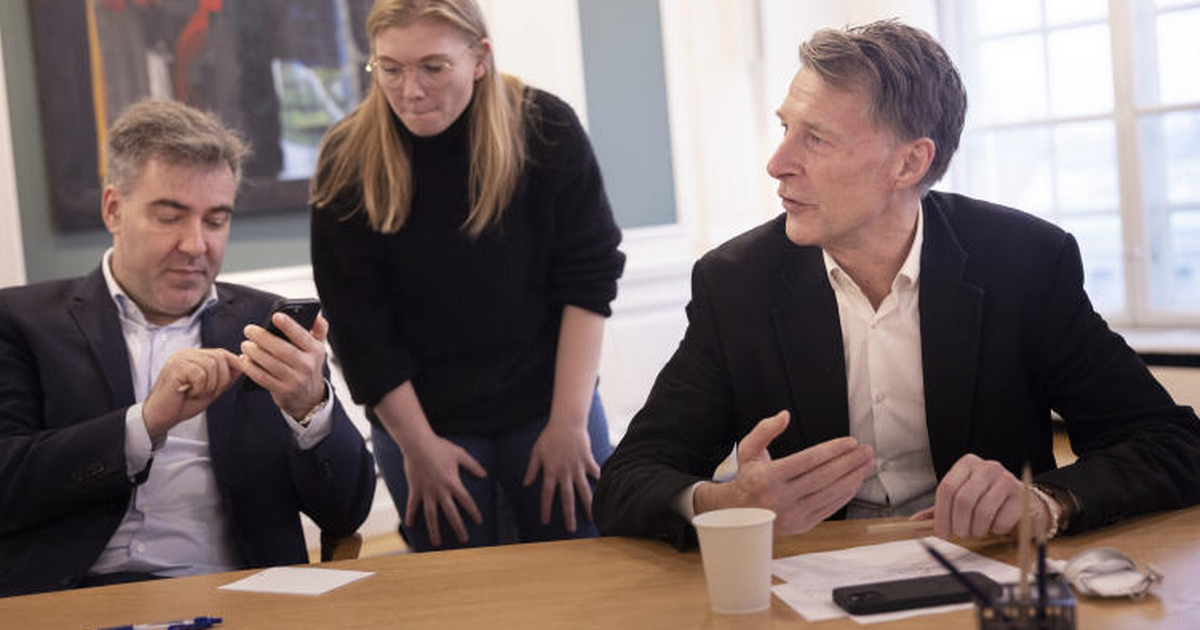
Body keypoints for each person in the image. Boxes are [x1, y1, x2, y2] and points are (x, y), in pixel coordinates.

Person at [593, 20, 1200, 548]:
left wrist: (1045, 501)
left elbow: (1173, 444)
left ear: (909, 163)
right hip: (806, 586)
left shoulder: (1025, 264)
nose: (777, 163)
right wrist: (723, 504)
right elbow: (628, 481)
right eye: (785, 128)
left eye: (817, 138)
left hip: (985, 576)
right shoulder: (736, 283)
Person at [0, 99, 376, 597]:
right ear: (114, 208)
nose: (196, 245)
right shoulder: (23, 322)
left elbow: (346, 512)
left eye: (216, 220)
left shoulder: (270, 325)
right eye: (170, 217)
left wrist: (311, 410)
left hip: (239, 596)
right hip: (73, 599)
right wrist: (147, 422)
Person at [309, 0, 624, 551]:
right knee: (454, 591)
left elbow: (587, 279)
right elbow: (359, 328)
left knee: (584, 572)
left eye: (433, 67)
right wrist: (418, 446)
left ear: (479, 58)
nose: (410, 90)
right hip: (422, 418)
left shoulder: (544, 128)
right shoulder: (347, 157)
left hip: (550, 400)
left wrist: (570, 423)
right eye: (390, 68)